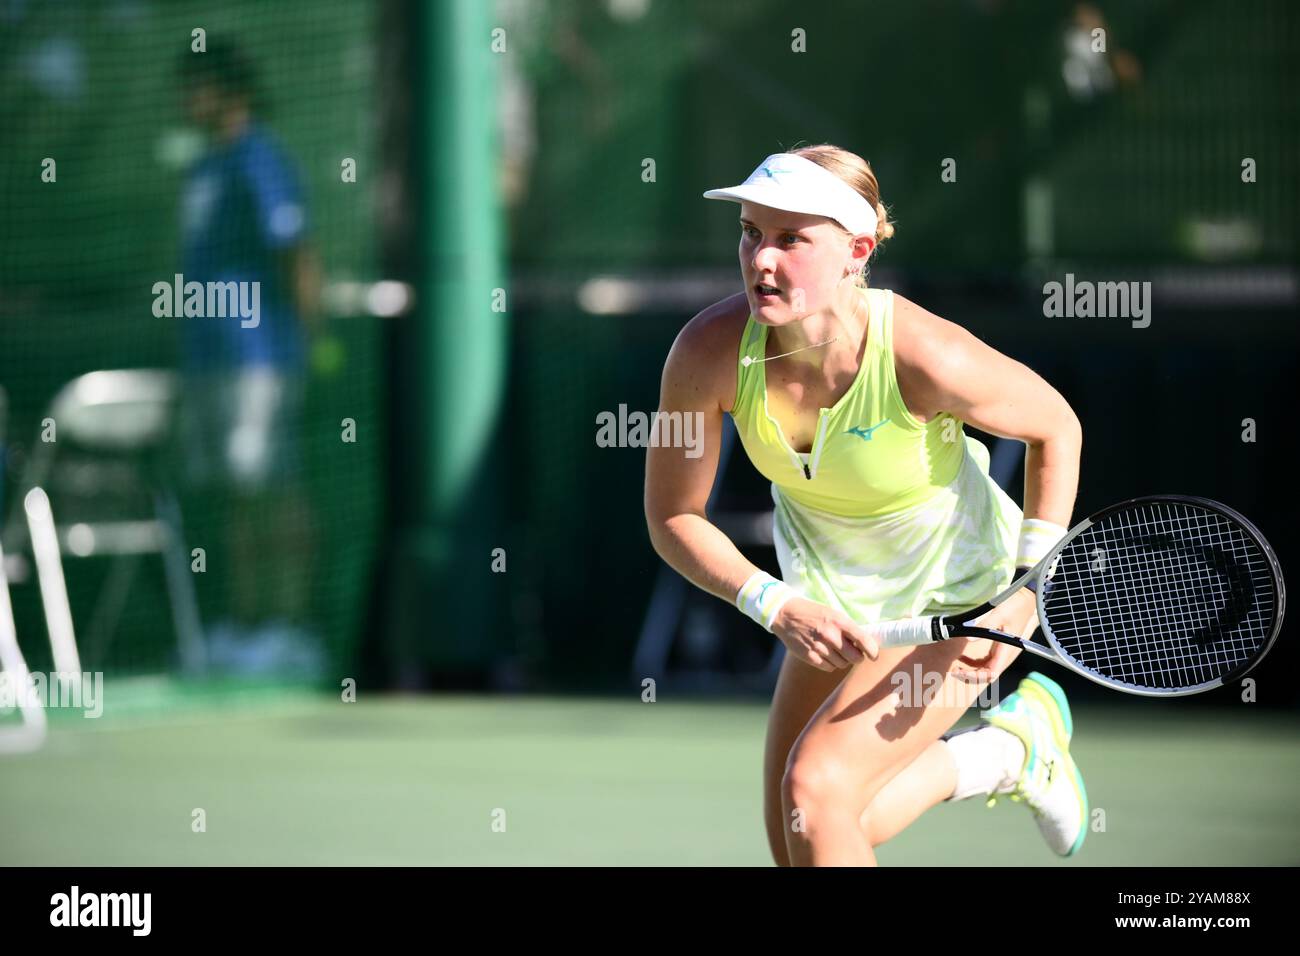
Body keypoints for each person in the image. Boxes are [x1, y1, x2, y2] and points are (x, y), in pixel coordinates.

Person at [644, 144, 1087, 866]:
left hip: (961, 597)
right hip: (832, 602)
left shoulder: (925, 355)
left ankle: (1011, 748)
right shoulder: (705, 352)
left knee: (816, 797)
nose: (762, 259)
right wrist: (775, 604)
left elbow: (1055, 426)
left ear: (856, 250)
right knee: (799, 835)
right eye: (752, 232)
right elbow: (672, 516)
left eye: (792, 240)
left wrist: (1028, 591)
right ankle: (1010, 752)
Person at [175, 39, 323, 677]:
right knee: (238, 497)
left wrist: (309, 342)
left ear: (228, 89)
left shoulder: (261, 158)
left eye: (197, 84)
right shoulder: (204, 166)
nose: (187, 98)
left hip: (260, 359)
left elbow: (297, 254)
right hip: (208, 361)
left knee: (273, 491)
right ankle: (245, 626)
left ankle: (290, 629)